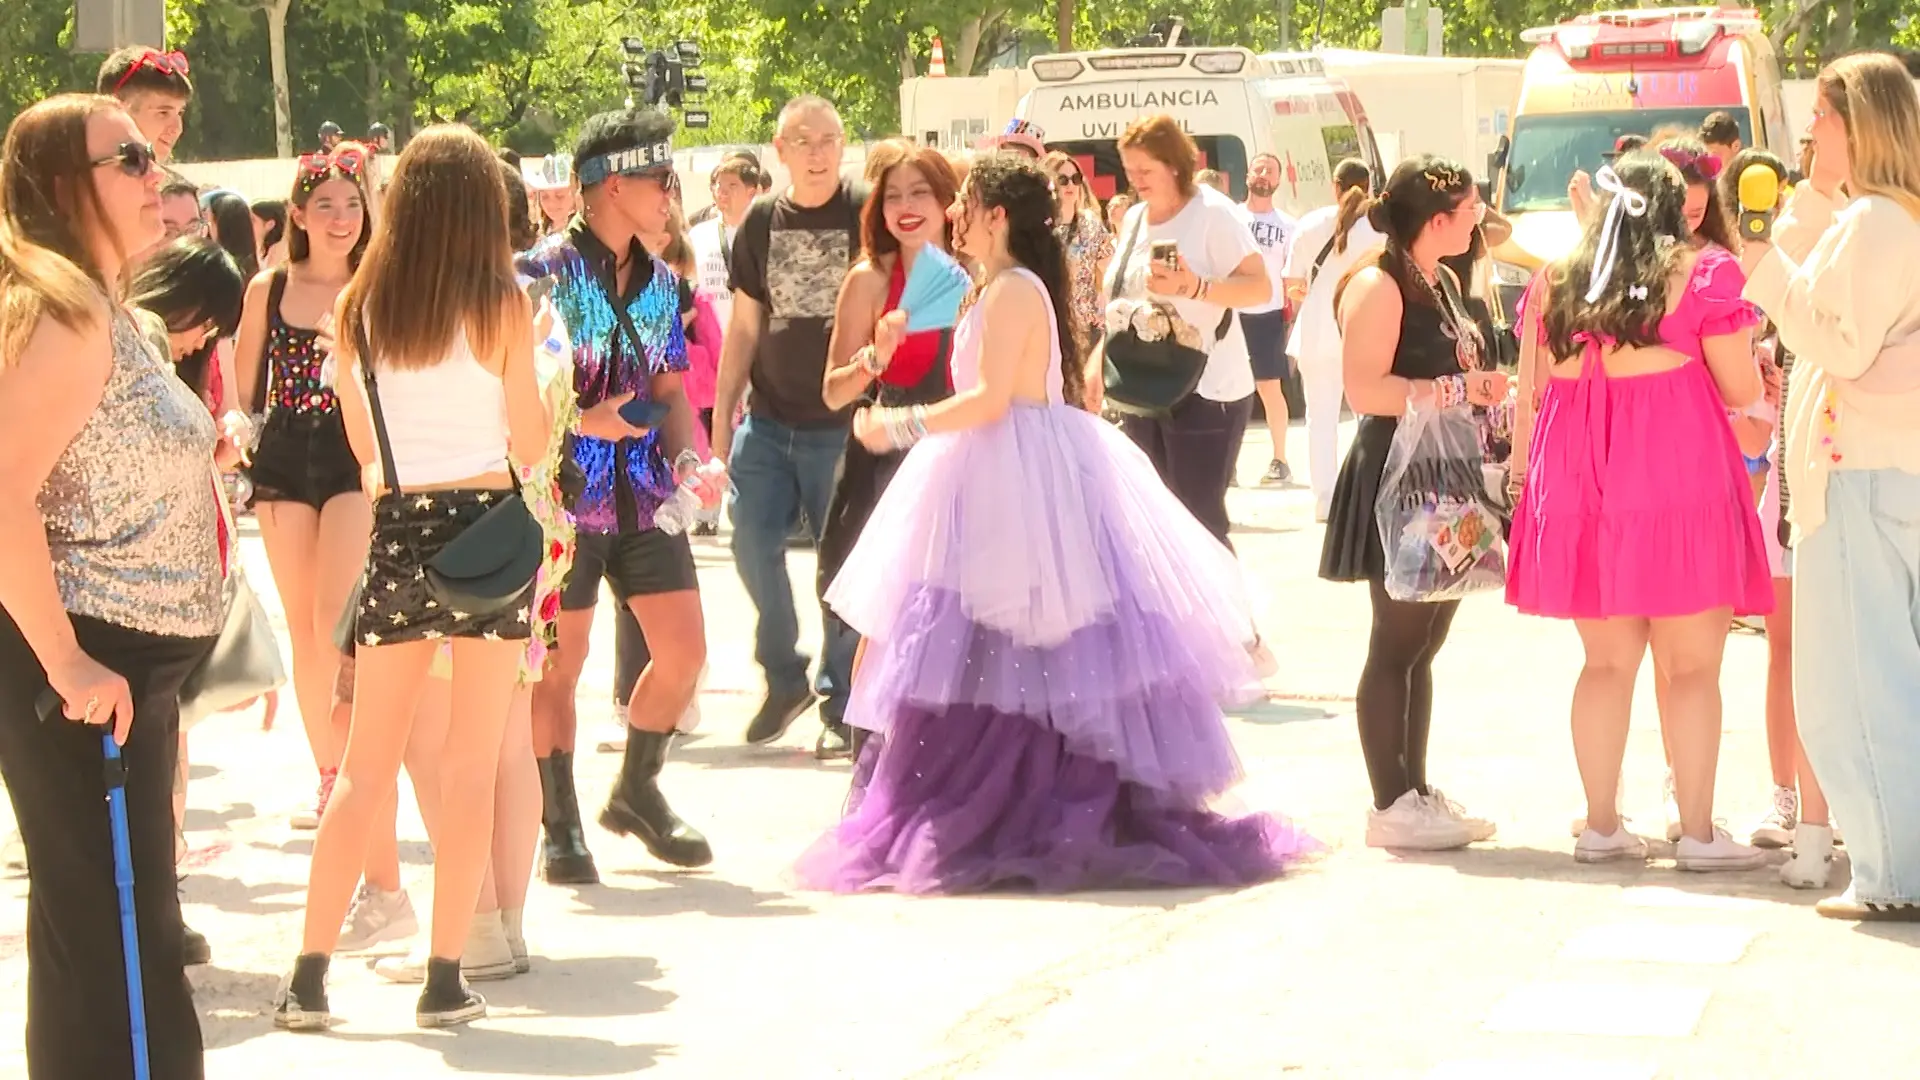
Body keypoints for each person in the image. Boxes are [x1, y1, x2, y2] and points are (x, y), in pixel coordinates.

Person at [797, 151, 1314, 893]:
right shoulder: (991, 288)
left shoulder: (1011, 290)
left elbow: (989, 401)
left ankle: (1013, 806)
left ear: (995, 214)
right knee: (978, 638)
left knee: (1015, 639)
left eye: (964, 203)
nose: (953, 216)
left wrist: (898, 424)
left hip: (1014, 470)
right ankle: (973, 798)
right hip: (996, 471)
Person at [273, 124, 549, 1032]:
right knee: (471, 767)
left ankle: (309, 977)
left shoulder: (357, 310)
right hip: (488, 535)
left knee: (365, 767)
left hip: (396, 529)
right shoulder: (503, 308)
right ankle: (443, 975)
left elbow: (361, 449)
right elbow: (532, 442)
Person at [0, 92, 241, 1080]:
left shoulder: (104, 305)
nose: (158, 173)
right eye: (129, 159)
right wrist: (65, 660)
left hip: (122, 676)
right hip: (88, 676)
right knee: (120, 963)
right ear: (67, 185)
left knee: (99, 945)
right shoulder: (63, 311)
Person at [1507, 152, 1771, 869]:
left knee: (1603, 665)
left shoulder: (1554, 283)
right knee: (1691, 669)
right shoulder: (1699, 277)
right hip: (1677, 481)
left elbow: (1531, 391)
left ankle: (1600, 826)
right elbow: (1740, 383)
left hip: (1580, 485)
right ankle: (1698, 835)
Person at [517, 108, 717, 884]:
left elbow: (670, 392)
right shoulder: (538, 274)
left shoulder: (666, 282)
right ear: (605, 186)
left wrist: (694, 459)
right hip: (562, 498)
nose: (671, 194)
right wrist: (579, 417)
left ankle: (636, 789)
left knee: (685, 654)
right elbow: (514, 388)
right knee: (561, 667)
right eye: (657, 180)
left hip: (643, 495)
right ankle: (558, 823)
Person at [1741, 53, 1920, 918]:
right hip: (1889, 471)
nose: (1809, 128)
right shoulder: (1889, 216)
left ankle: (1891, 877)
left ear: (1863, 124)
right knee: (1883, 677)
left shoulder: (1878, 221)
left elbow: (1840, 346)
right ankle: (1895, 868)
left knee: (1855, 684)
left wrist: (1766, 271)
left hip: (1861, 476)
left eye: (1823, 113)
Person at [1319, 155, 1507, 850]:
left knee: (1425, 642)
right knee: (1395, 640)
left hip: (1443, 471)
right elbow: (1365, 389)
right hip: (1396, 475)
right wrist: (1458, 392)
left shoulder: (1445, 280)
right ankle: (1389, 802)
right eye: (1470, 209)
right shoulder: (1379, 283)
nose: (1480, 219)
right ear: (1437, 219)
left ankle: (1416, 791)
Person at [712, 95, 864, 756]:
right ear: (780, 150)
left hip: (842, 426)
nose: (817, 152)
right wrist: (720, 423)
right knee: (750, 543)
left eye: (828, 139)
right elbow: (744, 328)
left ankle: (843, 696)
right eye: (802, 140)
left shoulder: (867, 213)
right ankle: (784, 677)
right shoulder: (759, 224)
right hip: (769, 422)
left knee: (842, 569)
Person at [235, 144, 374, 834]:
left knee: (334, 621)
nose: (341, 218)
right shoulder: (270, 287)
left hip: (354, 456)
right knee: (302, 627)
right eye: (325, 205)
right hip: (285, 455)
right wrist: (241, 447)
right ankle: (327, 776)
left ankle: (355, 768)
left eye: (352, 205)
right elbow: (244, 389)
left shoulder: (376, 283)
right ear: (298, 214)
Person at [816, 142, 961, 754]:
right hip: (882, 467)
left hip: (959, 466)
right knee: (873, 622)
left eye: (919, 193)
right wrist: (875, 356)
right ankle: (869, 759)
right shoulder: (869, 278)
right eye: (894, 194)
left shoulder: (976, 278)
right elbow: (831, 393)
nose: (906, 206)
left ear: (948, 202)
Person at [1093, 115, 1271, 546]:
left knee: (1199, 522)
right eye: (1129, 170)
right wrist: (1095, 364)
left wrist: (1195, 286)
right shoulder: (1134, 218)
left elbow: (1260, 288)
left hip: (1207, 389)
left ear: (1174, 164)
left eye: (1144, 170)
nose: (1135, 180)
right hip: (1143, 383)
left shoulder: (1212, 213)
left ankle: (1221, 613)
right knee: (1155, 522)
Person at [1284, 159, 1380, 521]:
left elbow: (1292, 286)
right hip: (1363, 329)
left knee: (1319, 419)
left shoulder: (1308, 225)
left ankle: (1324, 501)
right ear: (1368, 186)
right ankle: (1368, 494)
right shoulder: (1380, 227)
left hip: (1316, 332)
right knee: (1368, 417)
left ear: (1334, 186)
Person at [1239, 153, 1299, 486]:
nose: (1263, 174)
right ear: (1248, 173)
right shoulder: (1230, 218)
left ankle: (1280, 459)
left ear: (1278, 181)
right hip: (1230, 314)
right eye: (1258, 168)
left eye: (1270, 171)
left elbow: (1293, 280)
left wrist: (1293, 323)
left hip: (1268, 316)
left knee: (1270, 389)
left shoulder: (1288, 226)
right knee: (1223, 390)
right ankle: (1225, 464)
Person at [95, 47, 191, 164]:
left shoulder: (172, 181)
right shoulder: (74, 179)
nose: (177, 129)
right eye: (163, 113)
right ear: (118, 111)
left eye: (180, 113)